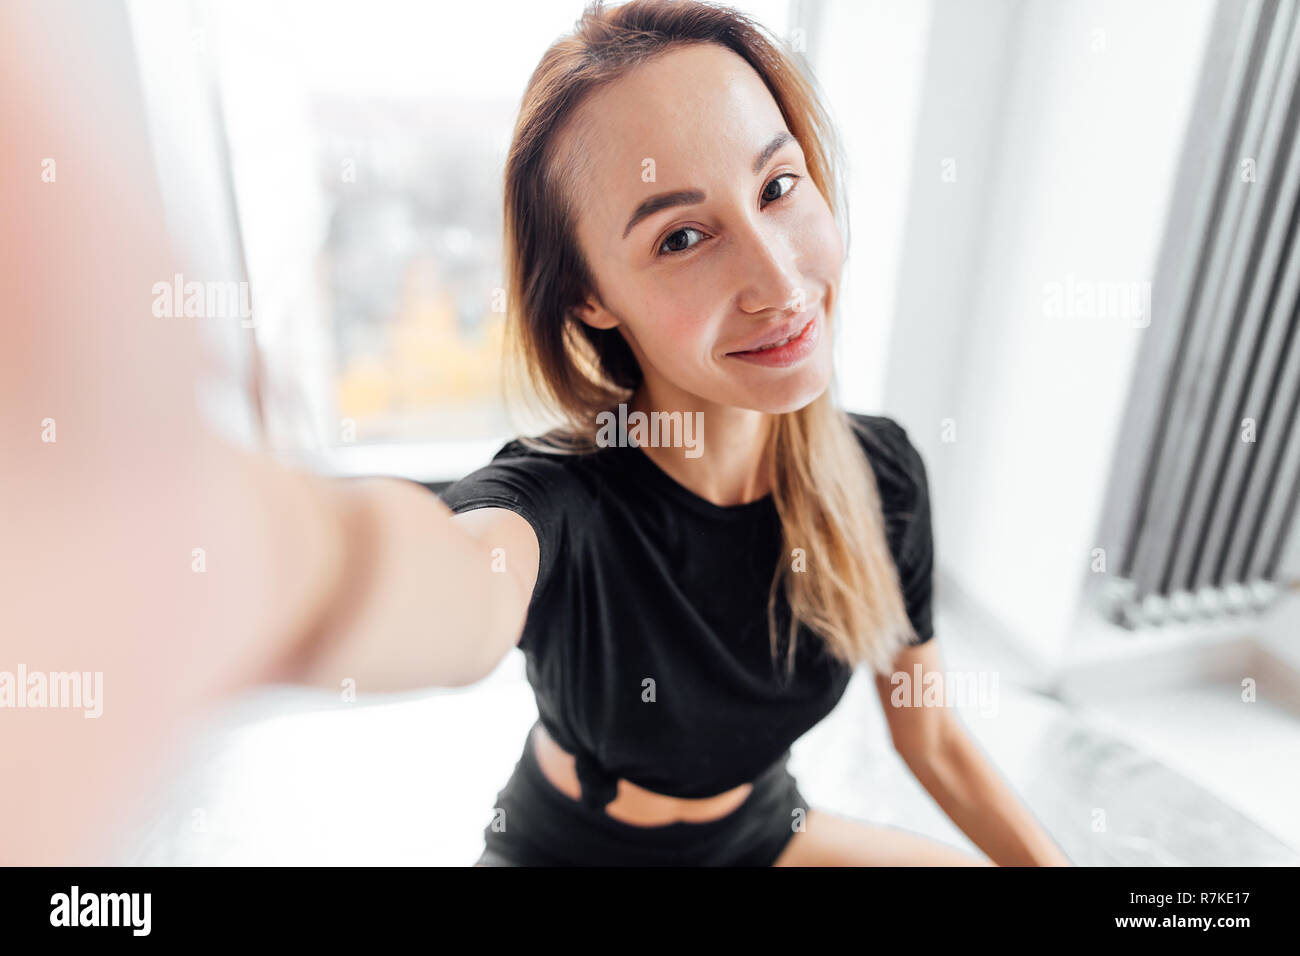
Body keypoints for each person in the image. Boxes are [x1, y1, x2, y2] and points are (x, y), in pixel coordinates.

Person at [1, 0, 1071, 866]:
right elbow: (459, 585)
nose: (781, 278)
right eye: (684, 235)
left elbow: (928, 734)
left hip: (764, 834)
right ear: (591, 298)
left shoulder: (880, 474)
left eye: (779, 185)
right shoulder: (562, 501)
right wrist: (260, 555)